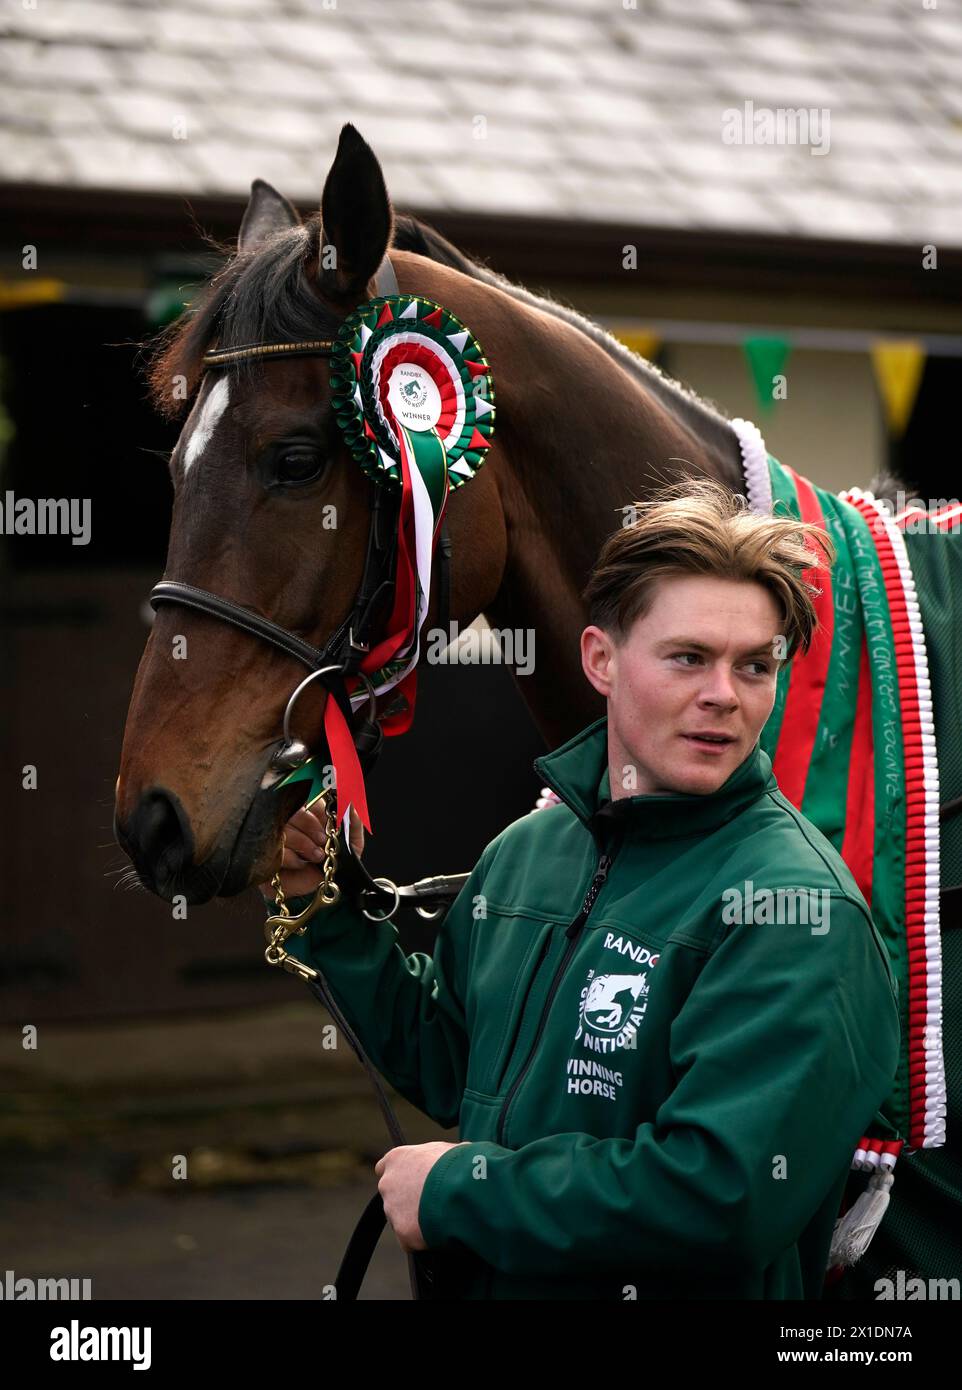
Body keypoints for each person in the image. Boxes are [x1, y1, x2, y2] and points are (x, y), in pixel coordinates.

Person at [260, 476, 899, 1300]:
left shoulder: (800, 913)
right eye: (689, 658)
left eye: (755, 667)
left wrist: (461, 1192)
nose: (723, 696)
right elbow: (454, 1063)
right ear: (600, 659)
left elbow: (721, 1196)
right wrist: (330, 910)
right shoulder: (530, 849)